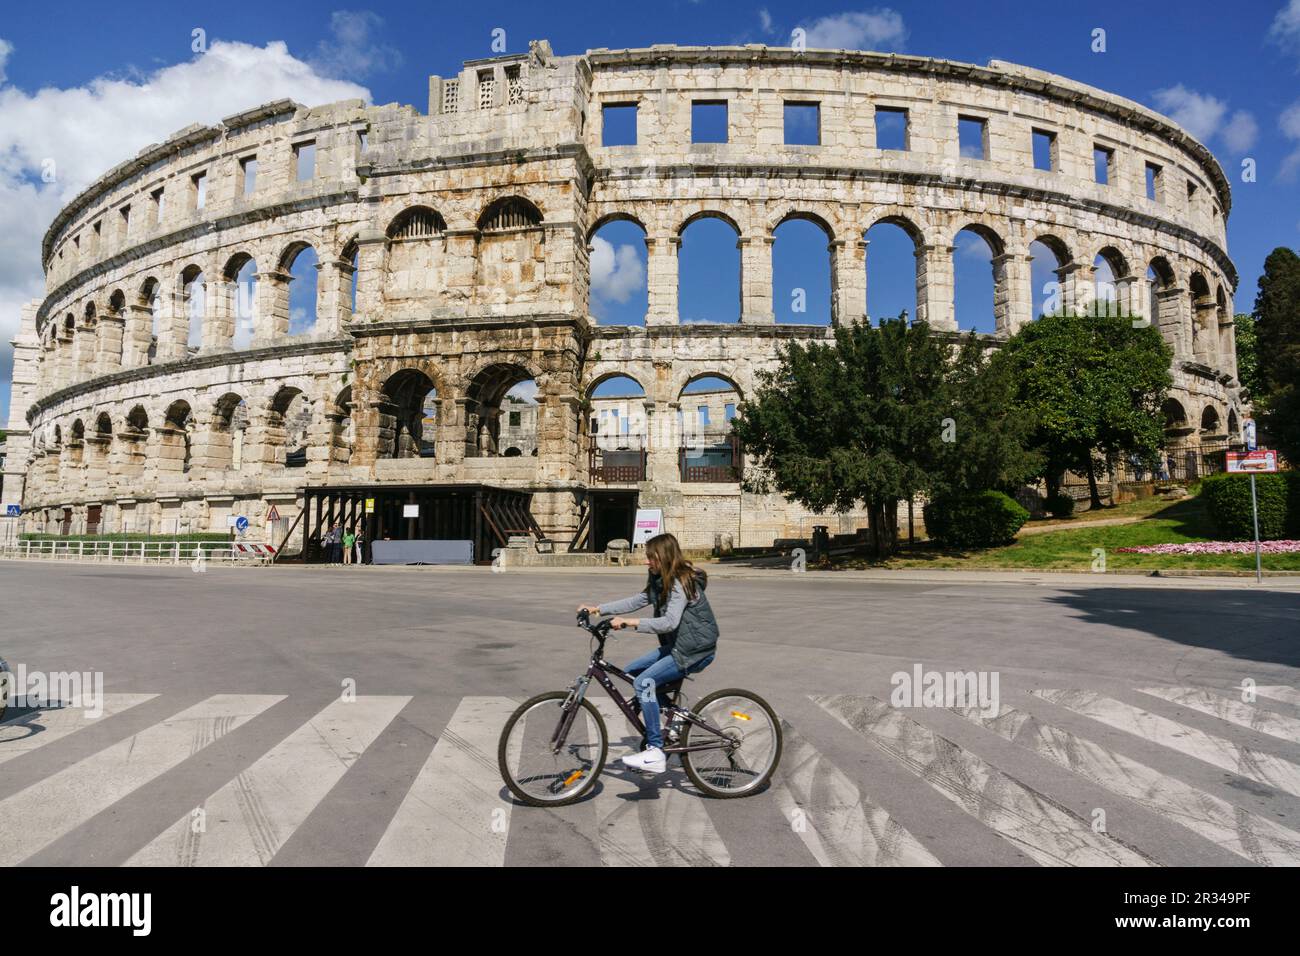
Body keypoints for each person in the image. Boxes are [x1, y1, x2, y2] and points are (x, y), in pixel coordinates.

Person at [578, 532, 719, 774]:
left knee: (644, 683)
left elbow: (669, 622)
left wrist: (630, 623)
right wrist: (598, 609)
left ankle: (655, 751)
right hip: (679, 645)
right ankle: (677, 715)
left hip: (695, 649)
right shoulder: (660, 579)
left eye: (650, 558)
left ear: (663, 558)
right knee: (633, 672)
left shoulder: (680, 582)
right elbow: (638, 599)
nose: (646, 562)